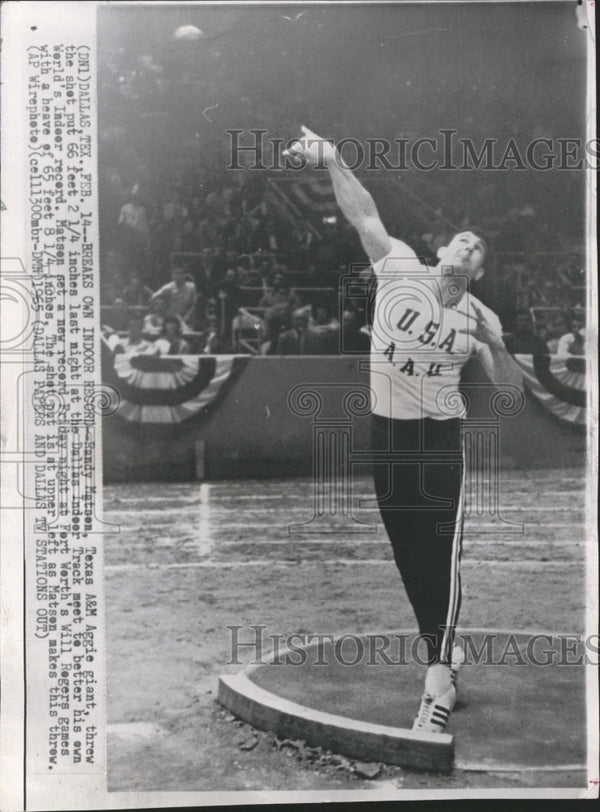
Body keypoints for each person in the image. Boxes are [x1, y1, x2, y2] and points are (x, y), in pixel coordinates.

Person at [284, 126, 523, 734]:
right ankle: (444, 654)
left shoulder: (479, 317)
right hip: (387, 439)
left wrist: (496, 343)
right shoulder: (399, 268)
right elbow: (362, 211)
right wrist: (334, 158)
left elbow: (513, 394)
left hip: (440, 444)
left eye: (477, 250)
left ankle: (438, 682)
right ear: (442, 249)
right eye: (462, 241)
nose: (467, 249)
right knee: (410, 557)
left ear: (478, 269)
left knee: (441, 559)